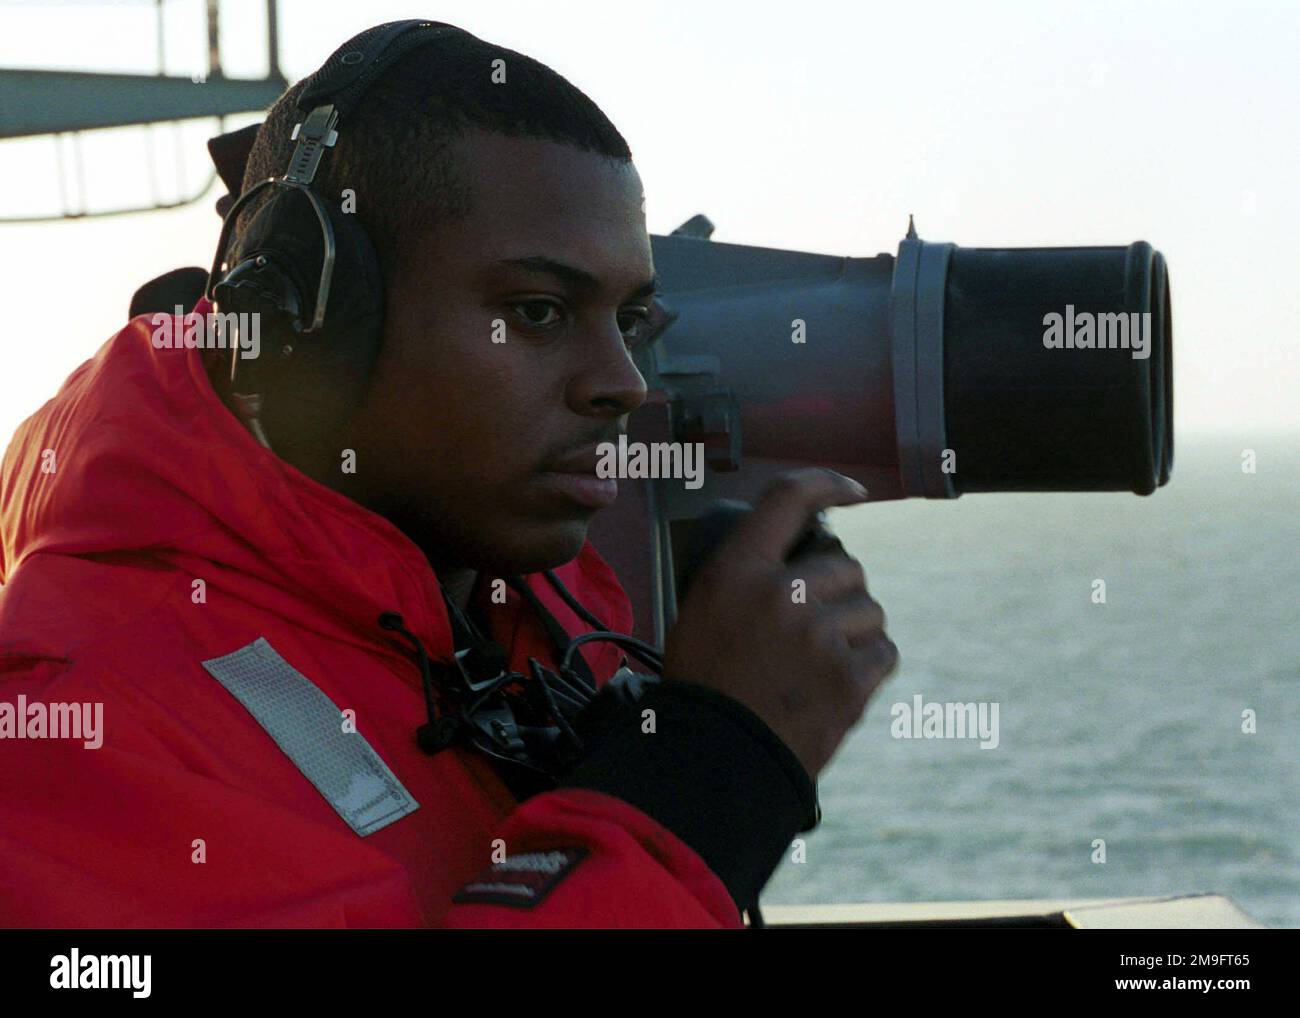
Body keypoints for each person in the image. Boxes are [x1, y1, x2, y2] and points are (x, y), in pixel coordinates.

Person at [0, 21, 897, 928]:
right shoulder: (74, 724)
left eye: (629, 320)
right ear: (307, 326)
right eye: (539, 311)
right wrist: (709, 778)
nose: (623, 385)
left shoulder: (521, 619)